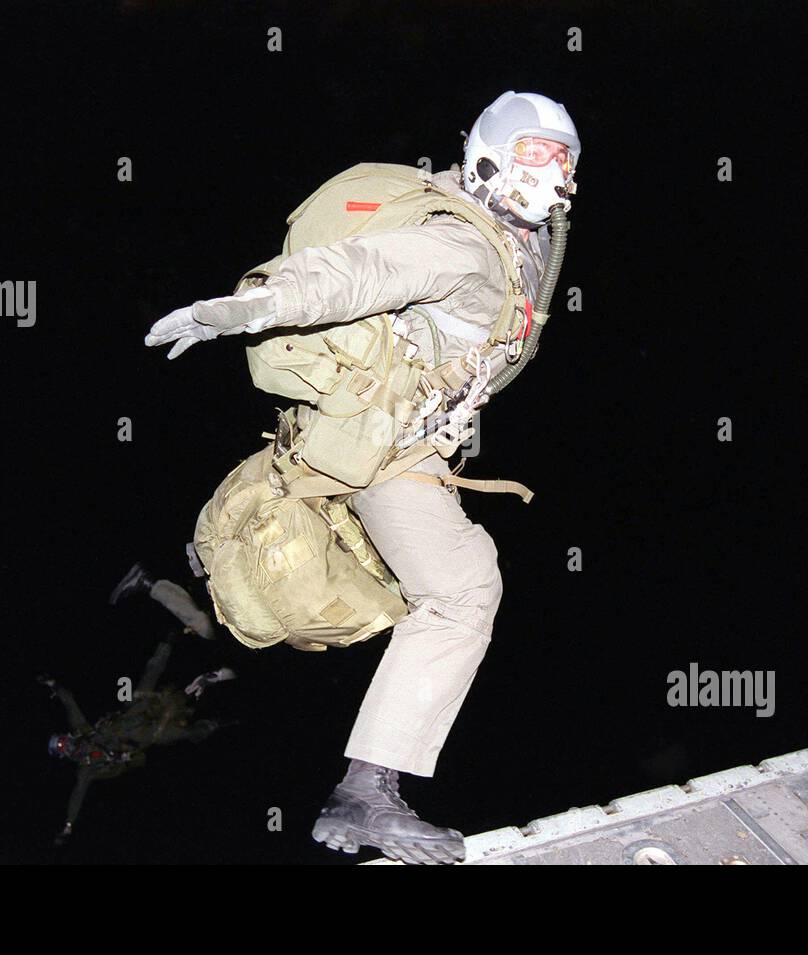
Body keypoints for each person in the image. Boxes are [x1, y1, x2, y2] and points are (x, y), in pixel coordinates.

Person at [145, 91, 580, 864]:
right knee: (464, 588)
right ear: (490, 152)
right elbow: (366, 268)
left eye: (566, 160)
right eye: (538, 154)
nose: (557, 174)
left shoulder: (514, 247)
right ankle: (366, 795)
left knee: (369, 586)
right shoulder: (466, 243)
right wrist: (250, 306)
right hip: (386, 451)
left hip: (394, 447)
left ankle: (221, 546)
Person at [43, 565, 236, 844]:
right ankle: (219, 721)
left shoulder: (83, 731)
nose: (65, 744)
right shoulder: (86, 768)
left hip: (132, 716)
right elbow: (77, 796)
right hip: (143, 737)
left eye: (62, 740)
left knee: (149, 676)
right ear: (64, 754)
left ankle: (171, 636)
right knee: (182, 734)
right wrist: (69, 825)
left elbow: (70, 704)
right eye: (61, 747)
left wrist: (54, 687)